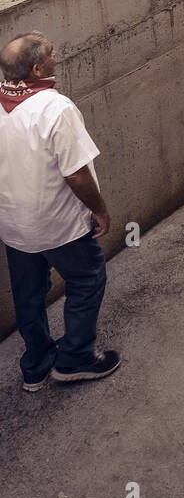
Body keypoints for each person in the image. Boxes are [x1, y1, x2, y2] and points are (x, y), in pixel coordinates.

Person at [0, 32, 118, 390]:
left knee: (29, 296)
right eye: (51, 55)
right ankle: (75, 358)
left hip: (13, 225)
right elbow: (77, 175)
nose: (56, 57)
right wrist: (99, 210)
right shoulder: (56, 108)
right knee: (88, 278)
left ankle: (36, 365)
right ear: (37, 68)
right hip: (58, 225)